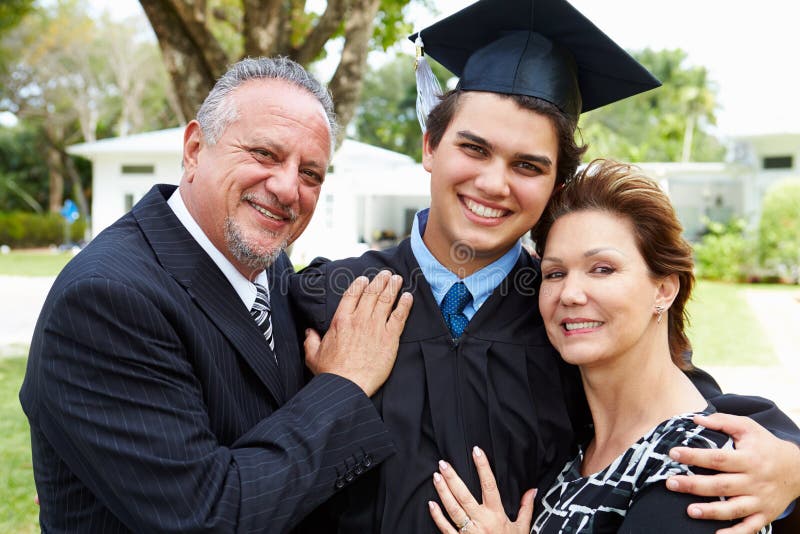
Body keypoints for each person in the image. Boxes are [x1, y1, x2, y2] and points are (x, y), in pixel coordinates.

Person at [290, 1, 800, 532]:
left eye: (527, 165)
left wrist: (791, 461)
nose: (493, 183)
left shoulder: (571, 322)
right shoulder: (332, 297)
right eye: (474, 149)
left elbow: (681, 404)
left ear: (555, 186)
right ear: (430, 146)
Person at [19, 56, 414, 532]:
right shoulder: (106, 299)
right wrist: (344, 386)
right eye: (264, 154)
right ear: (194, 148)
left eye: (311, 173)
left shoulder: (267, 261)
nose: (288, 188)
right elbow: (208, 517)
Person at [427, 159, 800, 533]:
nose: (570, 294)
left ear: (664, 289)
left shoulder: (697, 468)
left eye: (603, 268)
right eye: (555, 273)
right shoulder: (580, 439)